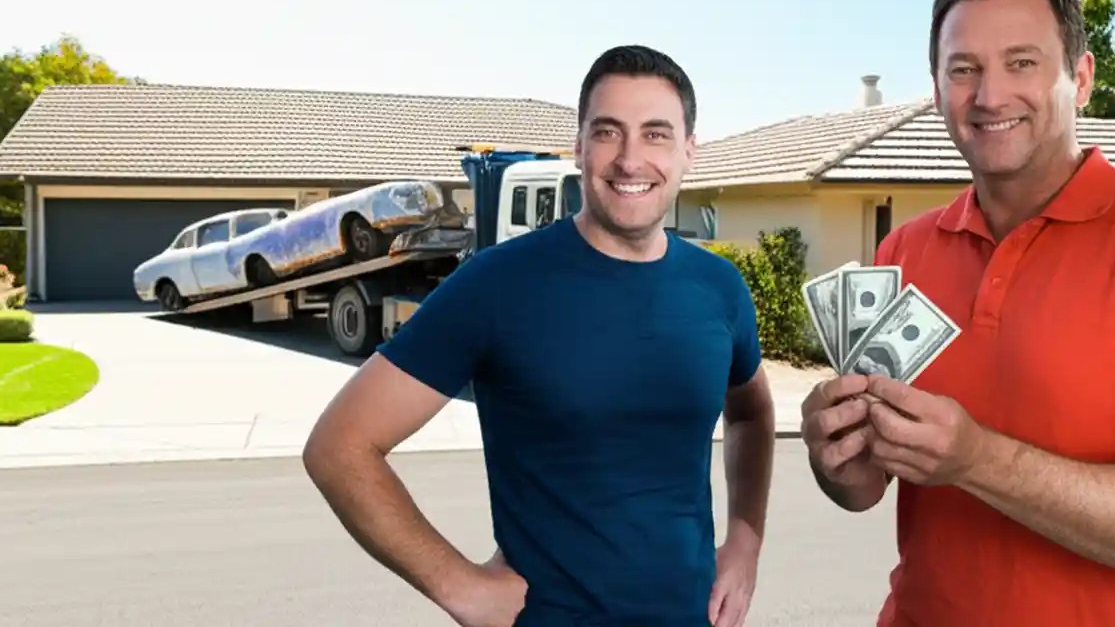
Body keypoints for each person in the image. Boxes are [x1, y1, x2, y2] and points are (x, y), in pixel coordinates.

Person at [801, 0, 1115, 627]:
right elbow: (865, 489)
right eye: (964, 69)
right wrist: (836, 458)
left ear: (1081, 77)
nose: (989, 96)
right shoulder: (905, 249)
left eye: (1022, 63)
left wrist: (979, 460)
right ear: (937, 89)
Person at [303, 44, 776, 627]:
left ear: (688, 152)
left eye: (656, 134)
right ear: (578, 147)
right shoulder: (499, 283)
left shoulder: (719, 287)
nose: (631, 159)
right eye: (608, 132)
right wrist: (458, 585)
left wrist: (745, 541)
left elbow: (751, 413)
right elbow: (339, 447)